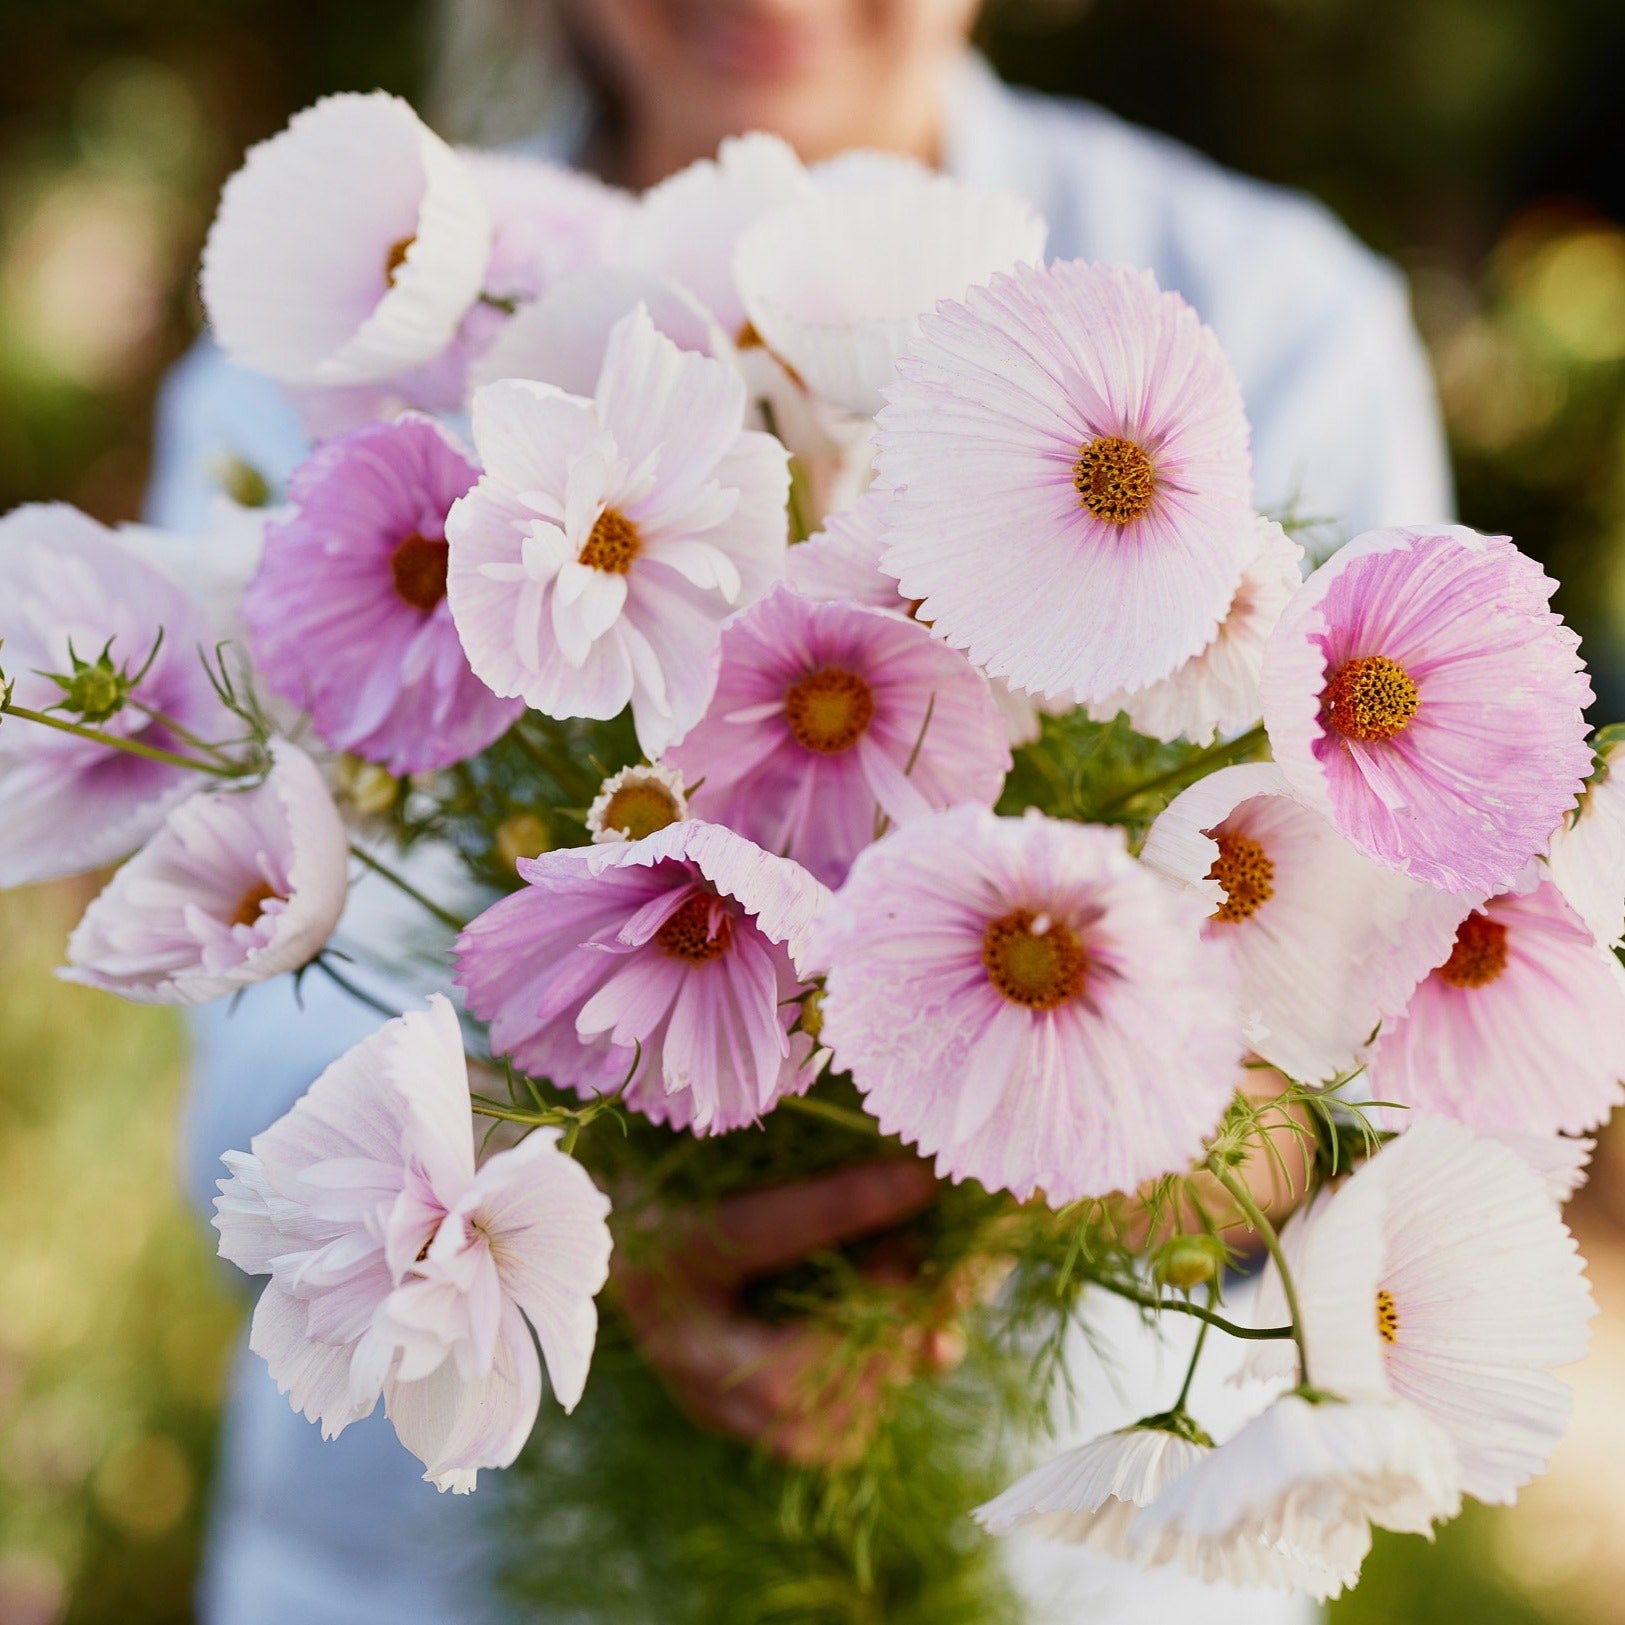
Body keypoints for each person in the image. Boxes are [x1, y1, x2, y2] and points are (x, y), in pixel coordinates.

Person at [147, 3, 1455, 1621]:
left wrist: (1033, 1178)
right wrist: (581, 1230)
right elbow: (240, 1053)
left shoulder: (1263, 310)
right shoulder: (333, 343)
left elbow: (1377, 1025)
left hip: (1067, 1548)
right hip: (446, 1563)